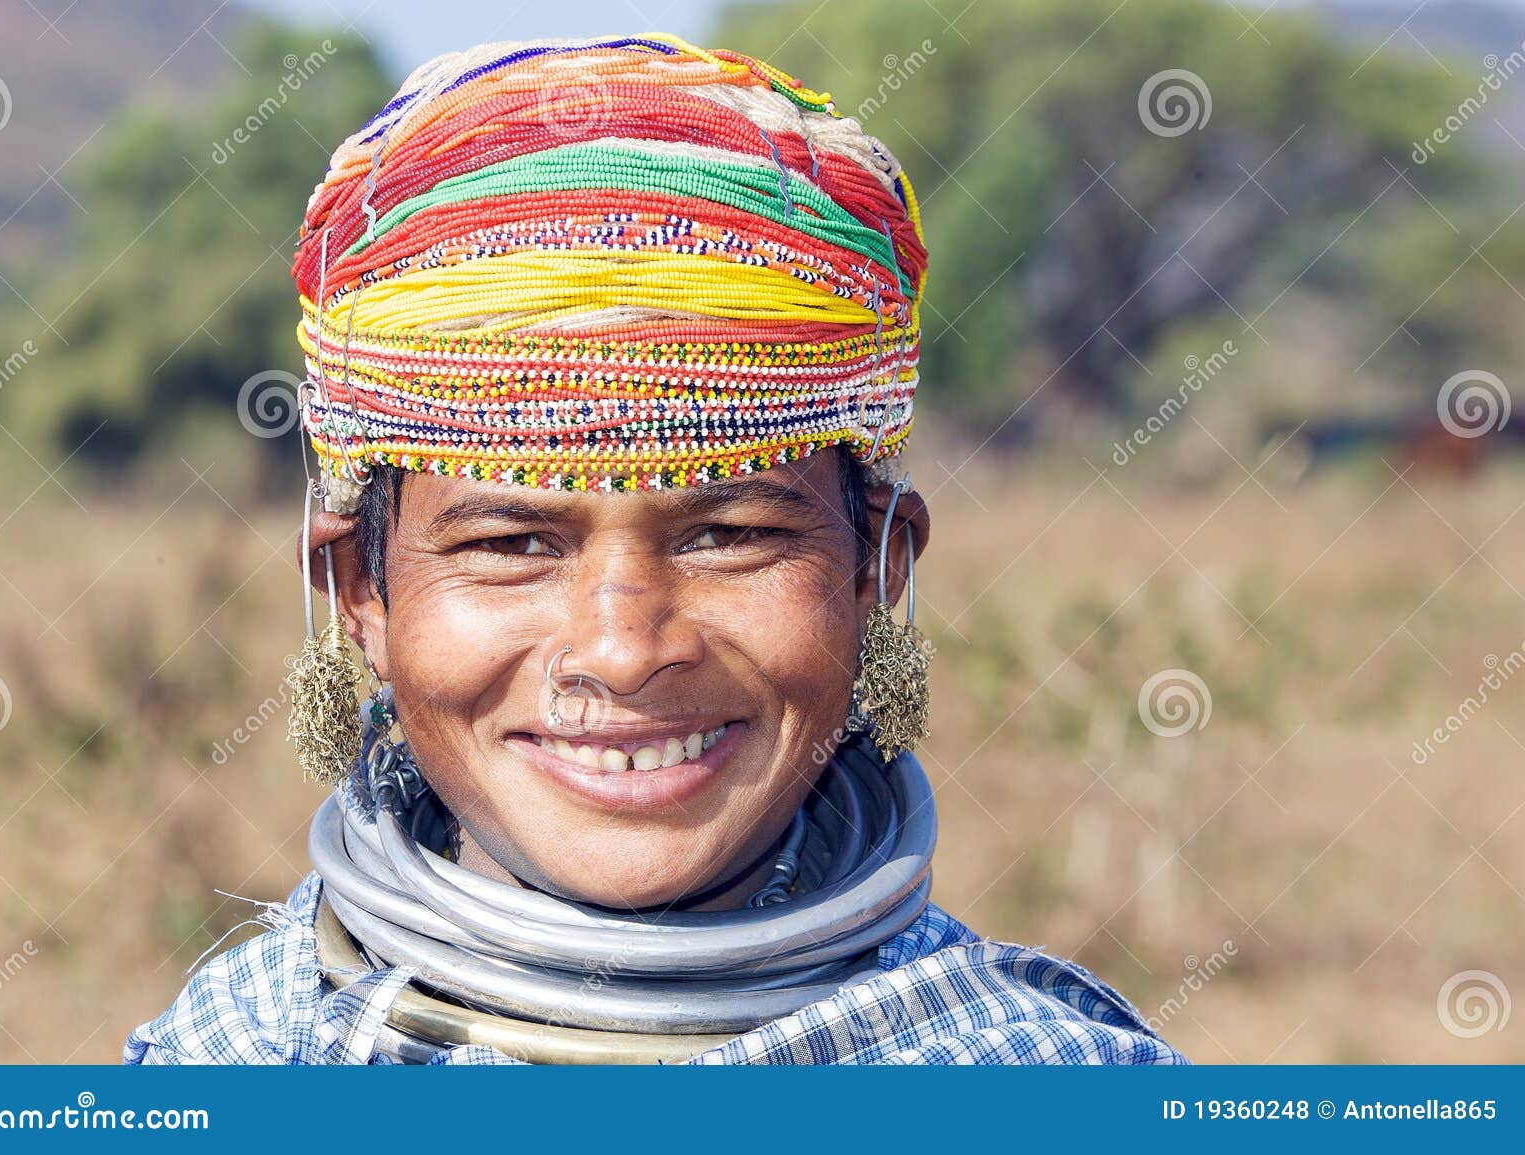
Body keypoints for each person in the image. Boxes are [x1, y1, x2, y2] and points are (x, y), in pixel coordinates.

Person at [124, 34, 1183, 1066]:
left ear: (876, 571)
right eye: (513, 542)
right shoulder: (242, 1062)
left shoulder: (1037, 1081)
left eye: (728, 535)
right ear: (360, 589)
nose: (623, 650)